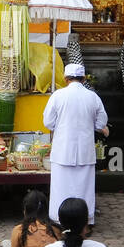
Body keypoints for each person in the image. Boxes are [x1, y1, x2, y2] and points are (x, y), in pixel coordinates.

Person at [42, 63, 109, 224]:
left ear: (66, 78)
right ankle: (85, 220)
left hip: (62, 150)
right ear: (84, 78)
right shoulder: (93, 97)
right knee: (84, 188)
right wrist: (88, 124)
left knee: (61, 188)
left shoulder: (58, 96)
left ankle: (59, 219)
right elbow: (101, 123)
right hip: (85, 151)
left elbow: (48, 122)